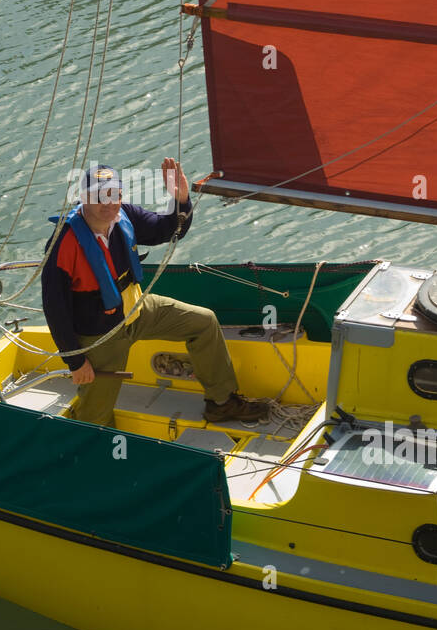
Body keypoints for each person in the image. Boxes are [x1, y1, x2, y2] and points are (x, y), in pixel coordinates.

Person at [41, 159, 269, 429]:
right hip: (100, 334)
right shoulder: (63, 244)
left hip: (137, 311)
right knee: (95, 417)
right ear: (83, 198)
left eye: (115, 194)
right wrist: (76, 361)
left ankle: (221, 403)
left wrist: (180, 197)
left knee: (204, 322)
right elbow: (55, 309)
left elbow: (171, 229)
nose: (110, 203)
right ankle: (96, 454)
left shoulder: (125, 216)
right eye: (101, 196)